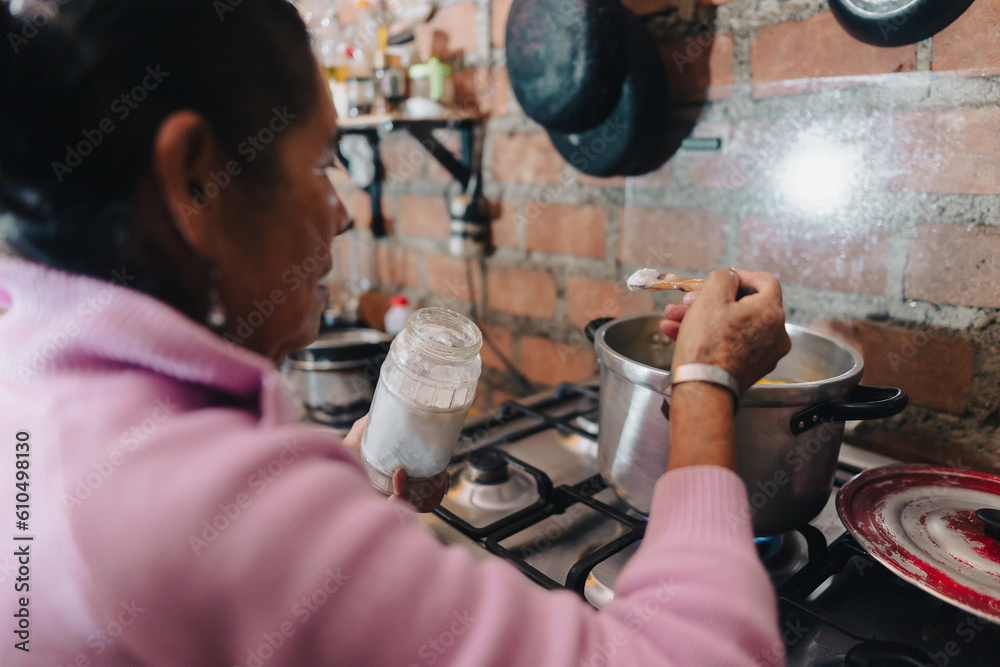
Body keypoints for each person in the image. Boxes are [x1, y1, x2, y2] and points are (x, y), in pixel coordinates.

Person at [0, 1, 791, 665]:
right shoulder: (205, 505)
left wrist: (333, 484)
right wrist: (706, 382)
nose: (340, 211)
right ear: (195, 179)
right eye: (320, 164)